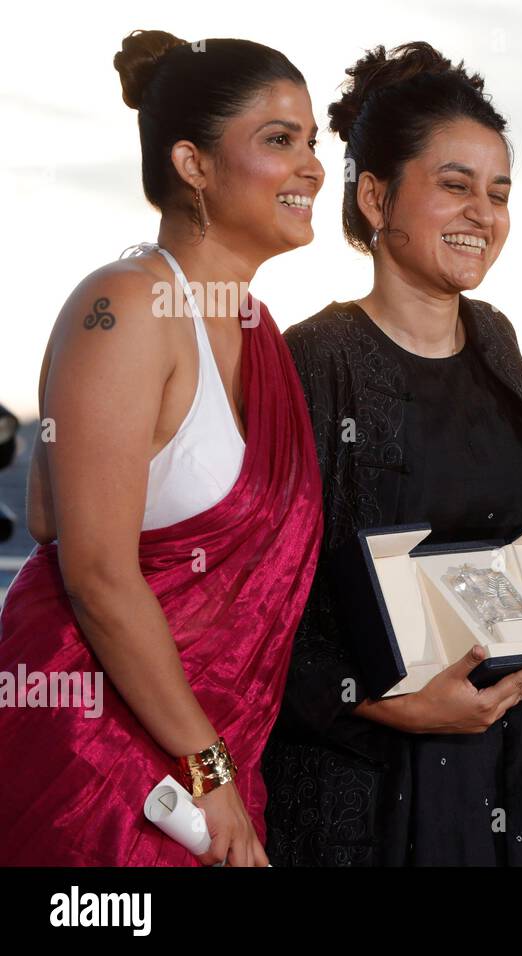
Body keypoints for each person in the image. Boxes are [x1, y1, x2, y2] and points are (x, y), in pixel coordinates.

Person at [262, 43, 522, 867]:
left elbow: (515, 538)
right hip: (363, 783)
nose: (483, 213)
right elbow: (263, 593)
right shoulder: (310, 360)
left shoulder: (498, 340)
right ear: (375, 197)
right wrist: (383, 705)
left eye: (500, 193)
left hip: (516, 766)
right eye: (454, 186)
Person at [0, 30, 324, 866]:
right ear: (193, 163)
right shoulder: (127, 305)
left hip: (205, 755)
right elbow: (96, 569)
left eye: (315, 142)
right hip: (98, 759)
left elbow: (44, 506)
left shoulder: (257, 332)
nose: (315, 168)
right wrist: (210, 772)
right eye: (280, 140)